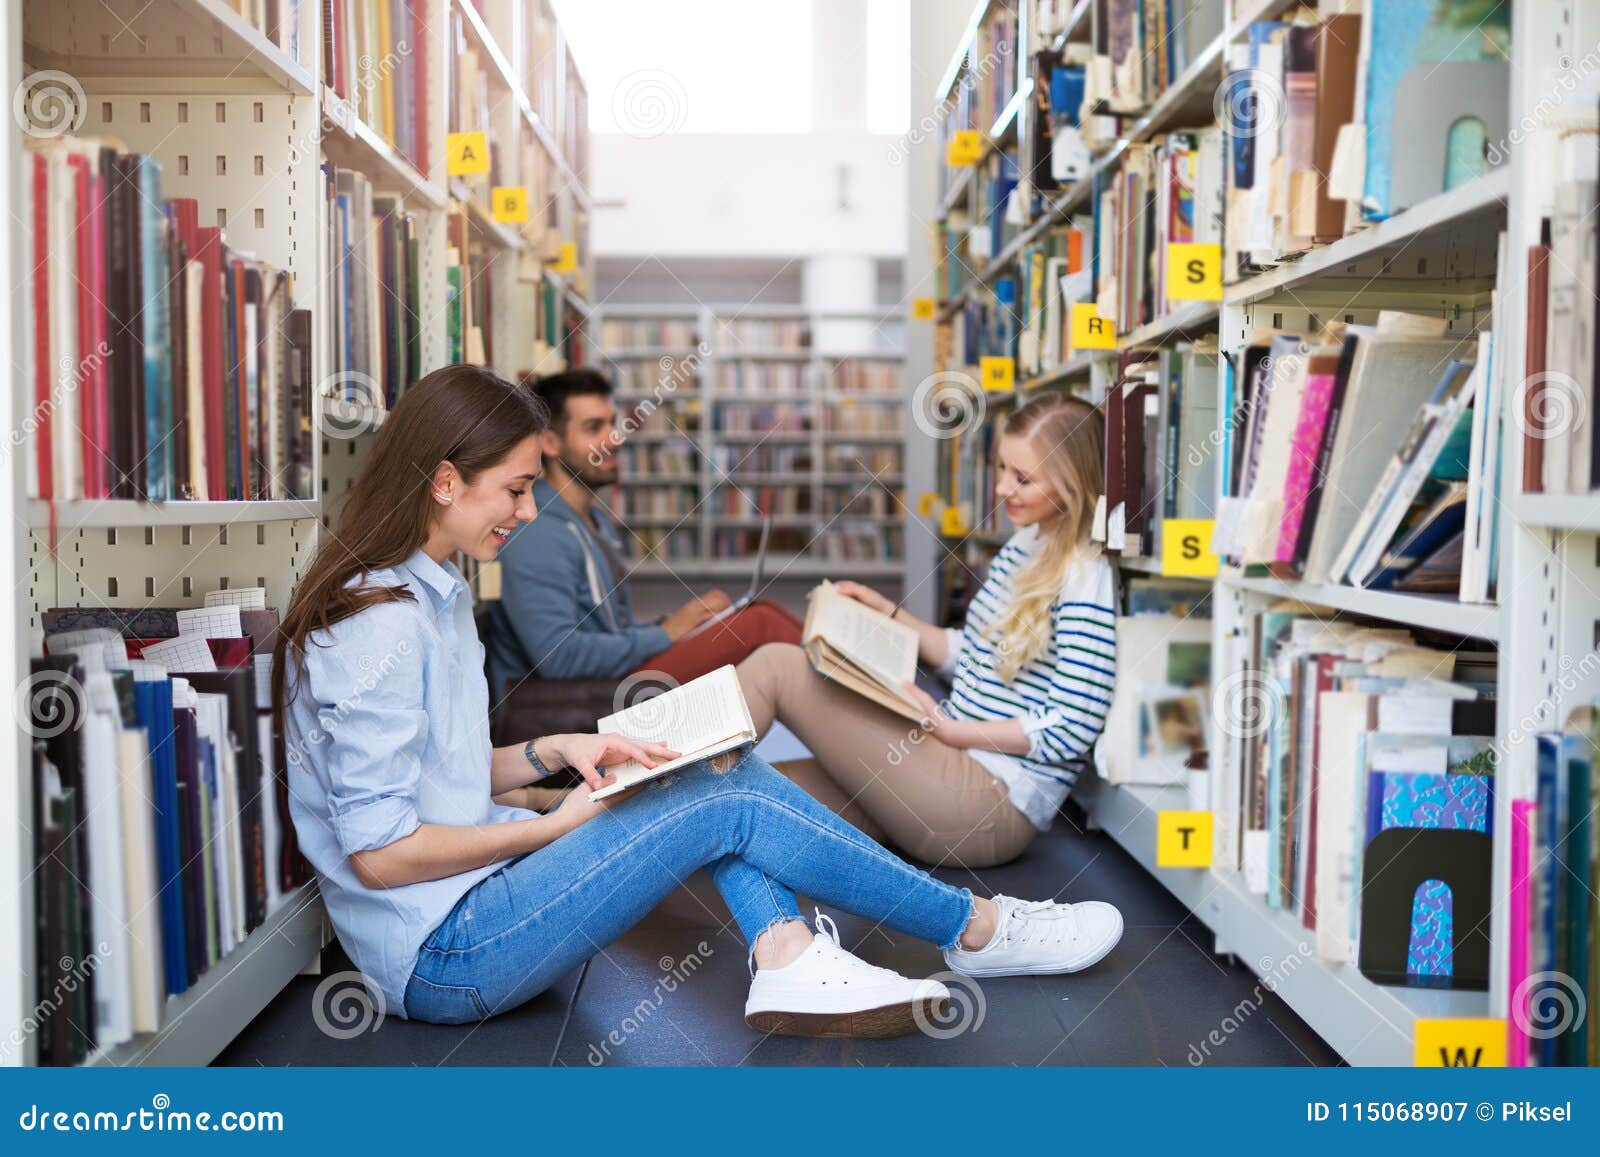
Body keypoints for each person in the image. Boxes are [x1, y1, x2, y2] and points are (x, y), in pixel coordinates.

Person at [273, 366, 1123, 1036]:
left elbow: (439, 770)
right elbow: (379, 855)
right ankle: (974, 930)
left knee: (715, 759)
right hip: (447, 956)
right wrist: (550, 825)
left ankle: (788, 949)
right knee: (719, 781)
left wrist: (553, 750)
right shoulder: (378, 623)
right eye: (517, 488)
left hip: (478, 906)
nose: (532, 511)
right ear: (448, 480)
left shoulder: (434, 595)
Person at [737, 392, 1116, 870]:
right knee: (746, 798)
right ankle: (641, 808)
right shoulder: (1025, 546)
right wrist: (886, 613)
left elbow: (1072, 725)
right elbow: (970, 652)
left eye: (1023, 479)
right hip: (940, 761)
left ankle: (642, 775)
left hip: (988, 802)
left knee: (778, 665)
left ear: (1072, 484)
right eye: (1001, 469)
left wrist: (953, 731)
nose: (1002, 489)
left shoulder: (1085, 577)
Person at [485, 368, 801, 698]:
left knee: (754, 614)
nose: (614, 439)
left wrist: (674, 625)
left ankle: (843, 665)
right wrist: (666, 633)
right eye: (594, 428)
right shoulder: (537, 532)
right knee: (759, 625)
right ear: (550, 442)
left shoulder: (592, 520)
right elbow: (559, 658)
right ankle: (848, 678)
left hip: (608, 678)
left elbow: (612, 630)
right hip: (575, 699)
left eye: (612, 424)